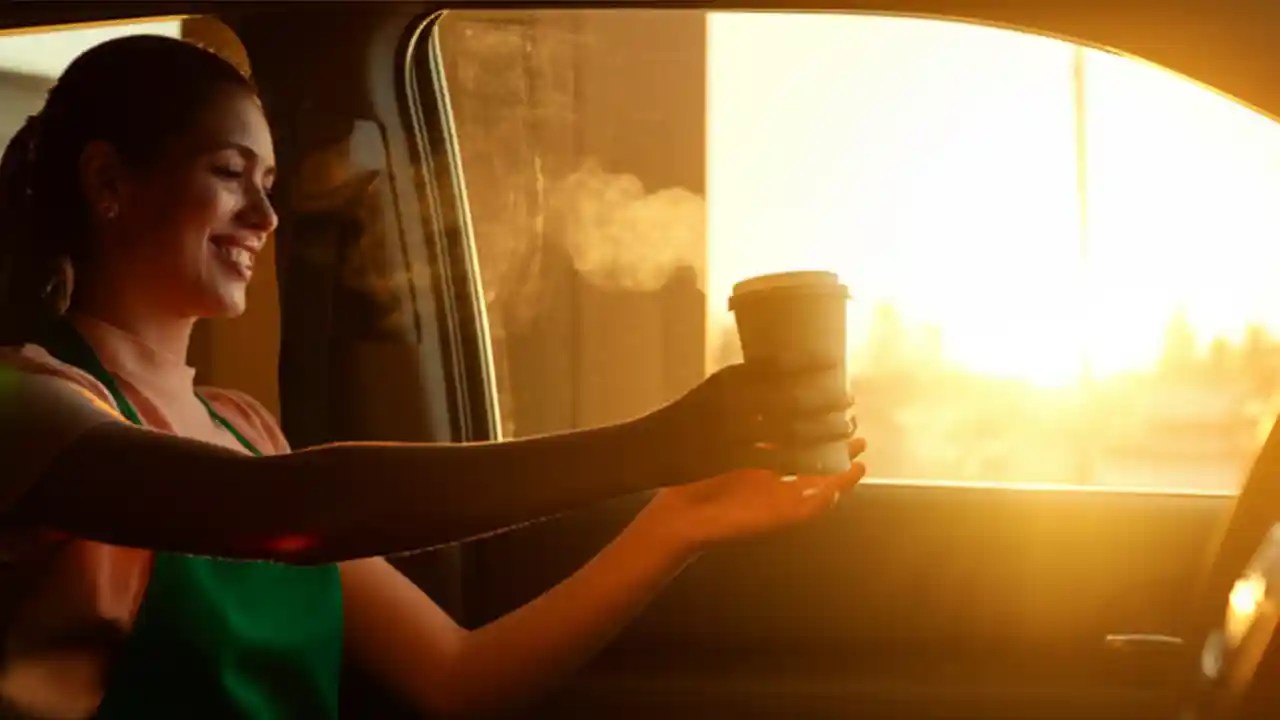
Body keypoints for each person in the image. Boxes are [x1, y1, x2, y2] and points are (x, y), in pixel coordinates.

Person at [0, 35, 865, 719]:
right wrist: (656, 445)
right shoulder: (27, 404)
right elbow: (284, 510)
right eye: (229, 175)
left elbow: (456, 675)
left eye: (269, 183)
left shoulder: (245, 430)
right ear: (109, 182)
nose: (265, 216)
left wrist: (676, 524)